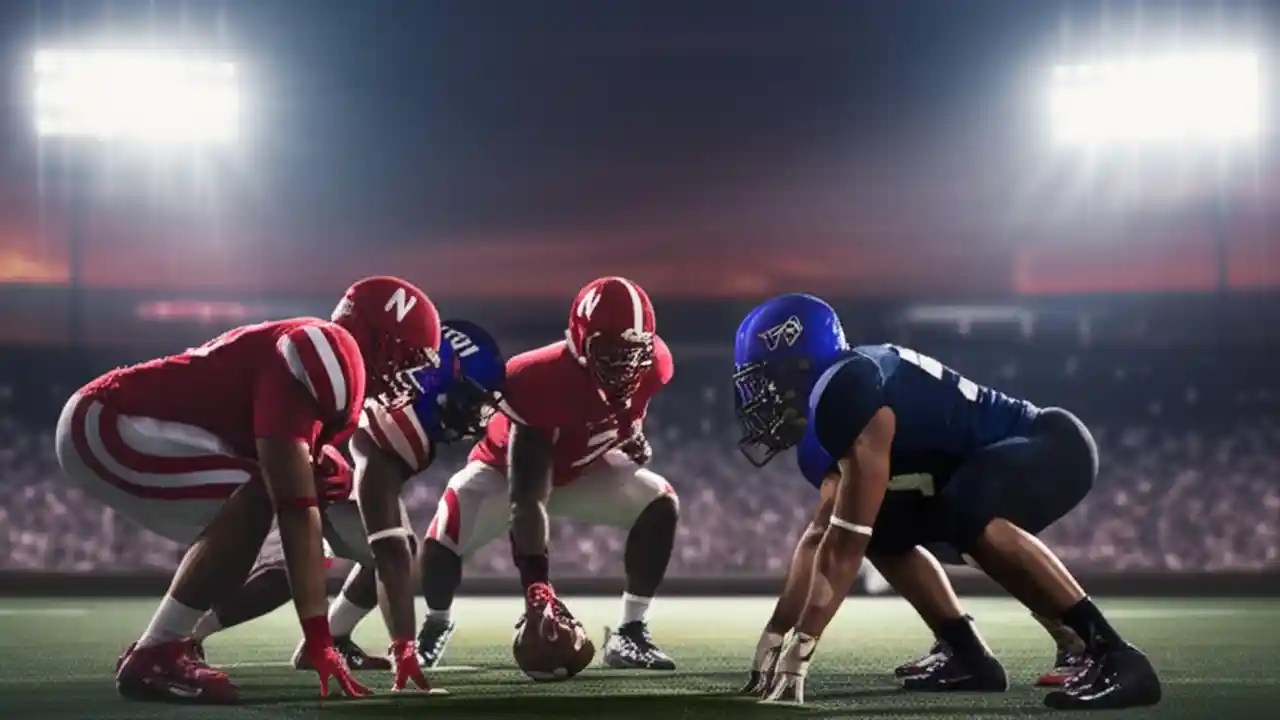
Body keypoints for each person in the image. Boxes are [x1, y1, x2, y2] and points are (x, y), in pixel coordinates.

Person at [732, 292, 1161, 710]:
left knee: (966, 511)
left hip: (1048, 443)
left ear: (802, 365)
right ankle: (967, 655)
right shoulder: (827, 423)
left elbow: (845, 544)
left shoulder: (848, 387)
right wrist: (776, 631)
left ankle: (1115, 655)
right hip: (980, 471)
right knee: (885, 529)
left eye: (768, 378)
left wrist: (802, 647)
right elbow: (822, 536)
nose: (761, 397)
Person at [54, 276, 441, 703]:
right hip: (112, 422)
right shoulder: (329, 347)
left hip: (157, 432)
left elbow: (305, 499)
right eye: (406, 356)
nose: (406, 374)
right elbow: (294, 505)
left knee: (294, 525)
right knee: (273, 497)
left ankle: (175, 641)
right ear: (380, 340)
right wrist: (317, 636)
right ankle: (158, 650)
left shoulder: (325, 362)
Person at [188, 320, 504, 691]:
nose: (476, 417)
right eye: (469, 401)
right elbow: (386, 545)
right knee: (294, 569)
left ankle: (332, 637)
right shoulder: (392, 422)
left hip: (324, 482)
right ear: (429, 381)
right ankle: (186, 636)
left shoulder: (402, 413)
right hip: (278, 479)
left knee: (396, 547)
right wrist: (403, 648)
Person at [417, 276, 680, 671]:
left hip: (579, 469)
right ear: (578, 340)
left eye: (632, 352)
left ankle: (630, 633)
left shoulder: (656, 366)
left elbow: (618, 411)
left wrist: (631, 436)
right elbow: (526, 497)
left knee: (660, 504)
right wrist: (537, 588)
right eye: (608, 351)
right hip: (503, 472)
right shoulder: (537, 378)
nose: (623, 365)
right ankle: (434, 627)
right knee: (442, 540)